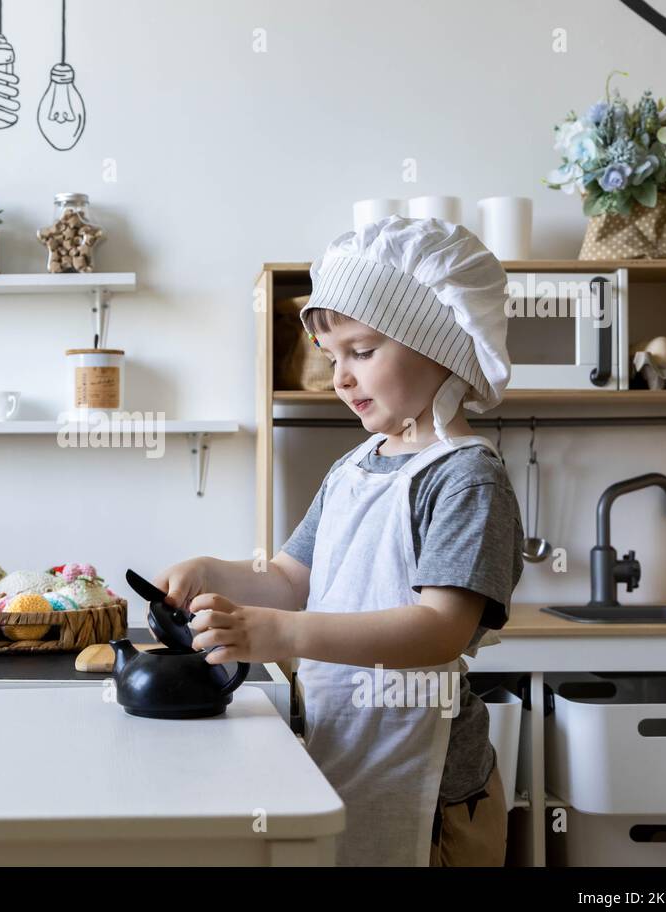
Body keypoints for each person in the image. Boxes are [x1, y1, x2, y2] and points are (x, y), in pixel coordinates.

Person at [153, 216, 524, 866]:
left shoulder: (466, 477)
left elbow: (441, 631)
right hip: (342, 745)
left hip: (433, 791)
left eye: (363, 350)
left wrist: (283, 635)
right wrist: (214, 571)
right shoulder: (354, 467)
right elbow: (293, 580)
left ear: (439, 345)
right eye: (332, 358)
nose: (341, 377)